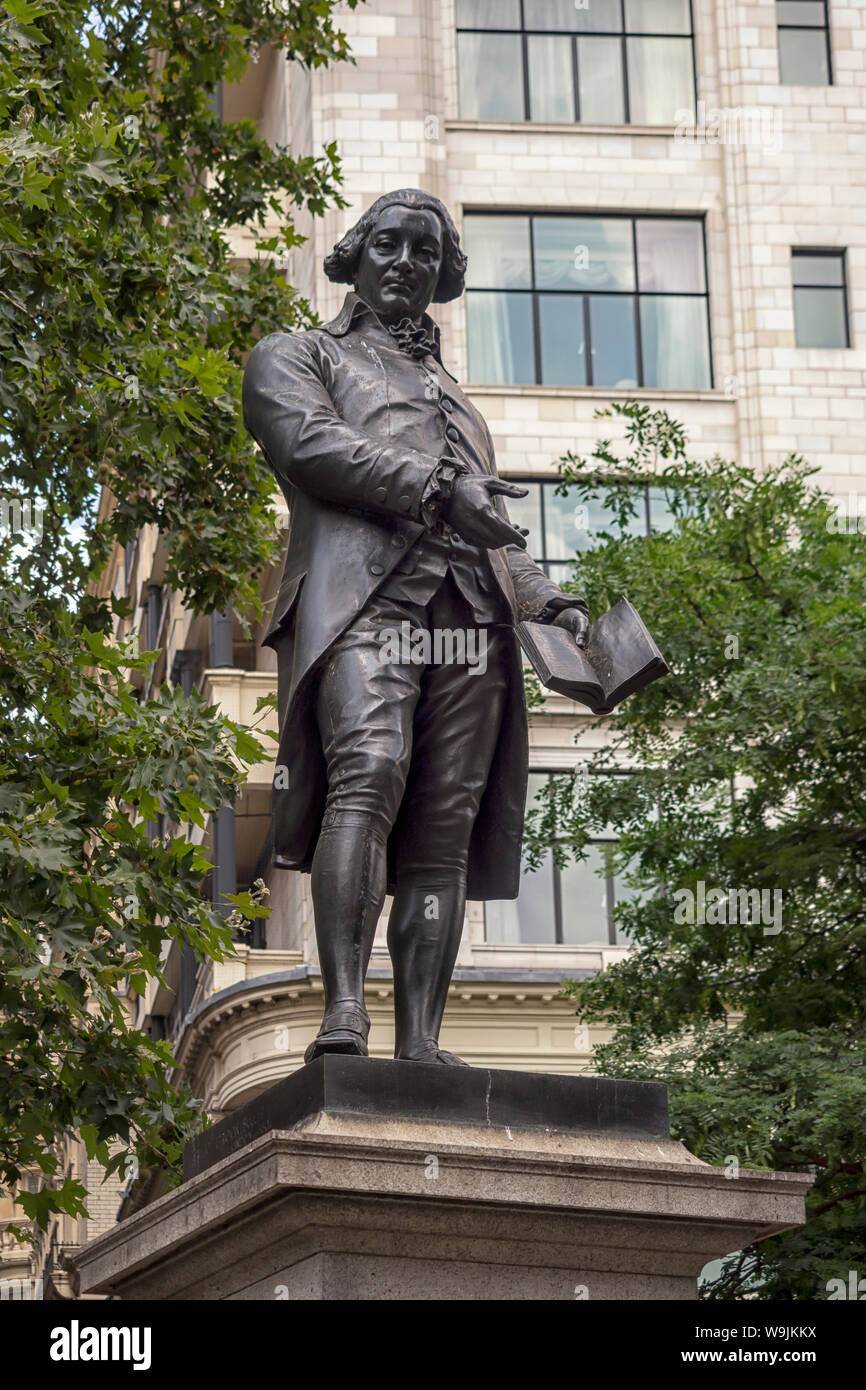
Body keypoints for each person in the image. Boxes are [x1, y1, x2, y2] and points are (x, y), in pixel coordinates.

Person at [242, 189, 589, 1066]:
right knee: (370, 769)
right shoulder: (297, 355)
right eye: (390, 245)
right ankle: (346, 1012)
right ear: (355, 255)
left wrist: (549, 602)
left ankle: (423, 1044)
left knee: (444, 825)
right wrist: (437, 490)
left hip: (471, 618)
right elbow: (312, 447)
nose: (407, 263)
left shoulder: (457, 402)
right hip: (367, 605)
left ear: (444, 277)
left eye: (426, 254)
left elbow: (494, 529)